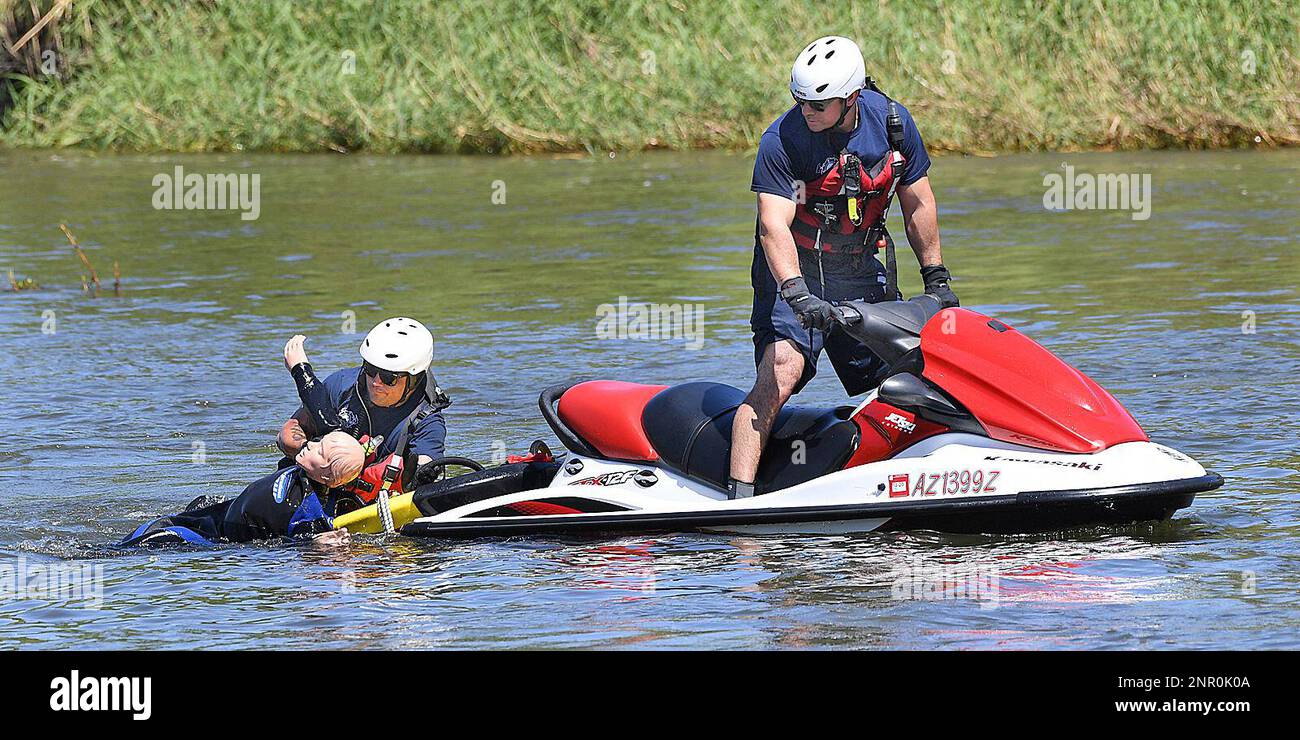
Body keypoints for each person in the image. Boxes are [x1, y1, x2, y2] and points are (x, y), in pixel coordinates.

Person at [728, 36, 959, 499]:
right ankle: (738, 500)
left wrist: (936, 278)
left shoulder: (893, 123)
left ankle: (924, 473)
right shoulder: (782, 140)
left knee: (912, 370)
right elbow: (772, 226)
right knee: (782, 371)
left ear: (851, 98)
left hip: (858, 264)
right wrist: (796, 293)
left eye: (818, 104)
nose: (806, 111)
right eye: (799, 100)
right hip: (794, 269)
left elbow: (918, 203)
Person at [277, 317, 450, 504]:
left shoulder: (427, 422)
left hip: (370, 503)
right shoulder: (341, 384)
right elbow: (288, 432)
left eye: (388, 377)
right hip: (312, 491)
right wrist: (312, 454)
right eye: (370, 369)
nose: (376, 382)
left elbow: (426, 467)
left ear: (414, 380)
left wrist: (422, 473)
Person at [119, 431, 365, 546]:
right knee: (195, 507)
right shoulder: (298, 466)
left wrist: (319, 543)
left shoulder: (307, 512)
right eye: (320, 441)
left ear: (327, 476)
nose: (312, 444)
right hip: (215, 512)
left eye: (320, 452)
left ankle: (95, 554)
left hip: (213, 537)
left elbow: (304, 541)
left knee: (153, 539)